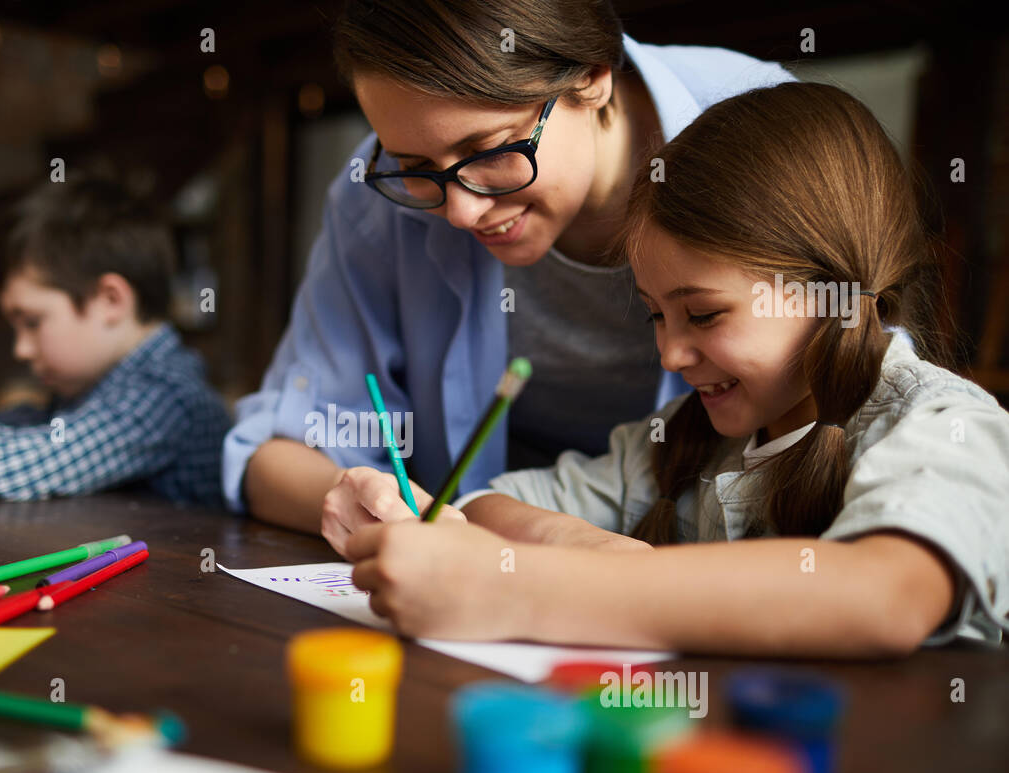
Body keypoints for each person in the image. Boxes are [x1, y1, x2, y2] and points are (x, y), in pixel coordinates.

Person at [347, 82, 1009, 657]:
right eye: (656, 316)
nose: (669, 355)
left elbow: (885, 596)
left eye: (705, 314)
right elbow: (493, 503)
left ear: (824, 294)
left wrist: (516, 591)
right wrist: (587, 548)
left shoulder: (945, 427)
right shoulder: (678, 440)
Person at [224, 0, 794, 553]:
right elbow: (271, 453)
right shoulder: (379, 200)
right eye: (415, 168)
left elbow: (864, 402)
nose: (461, 214)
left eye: (488, 149)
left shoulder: (771, 131)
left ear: (594, 77)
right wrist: (391, 510)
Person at [0, 176, 230, 504]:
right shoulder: (99, 384)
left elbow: (7, 465)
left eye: (32, 322)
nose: (21, 349)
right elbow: (13, 428)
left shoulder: (162, 397)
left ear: (111, 300)